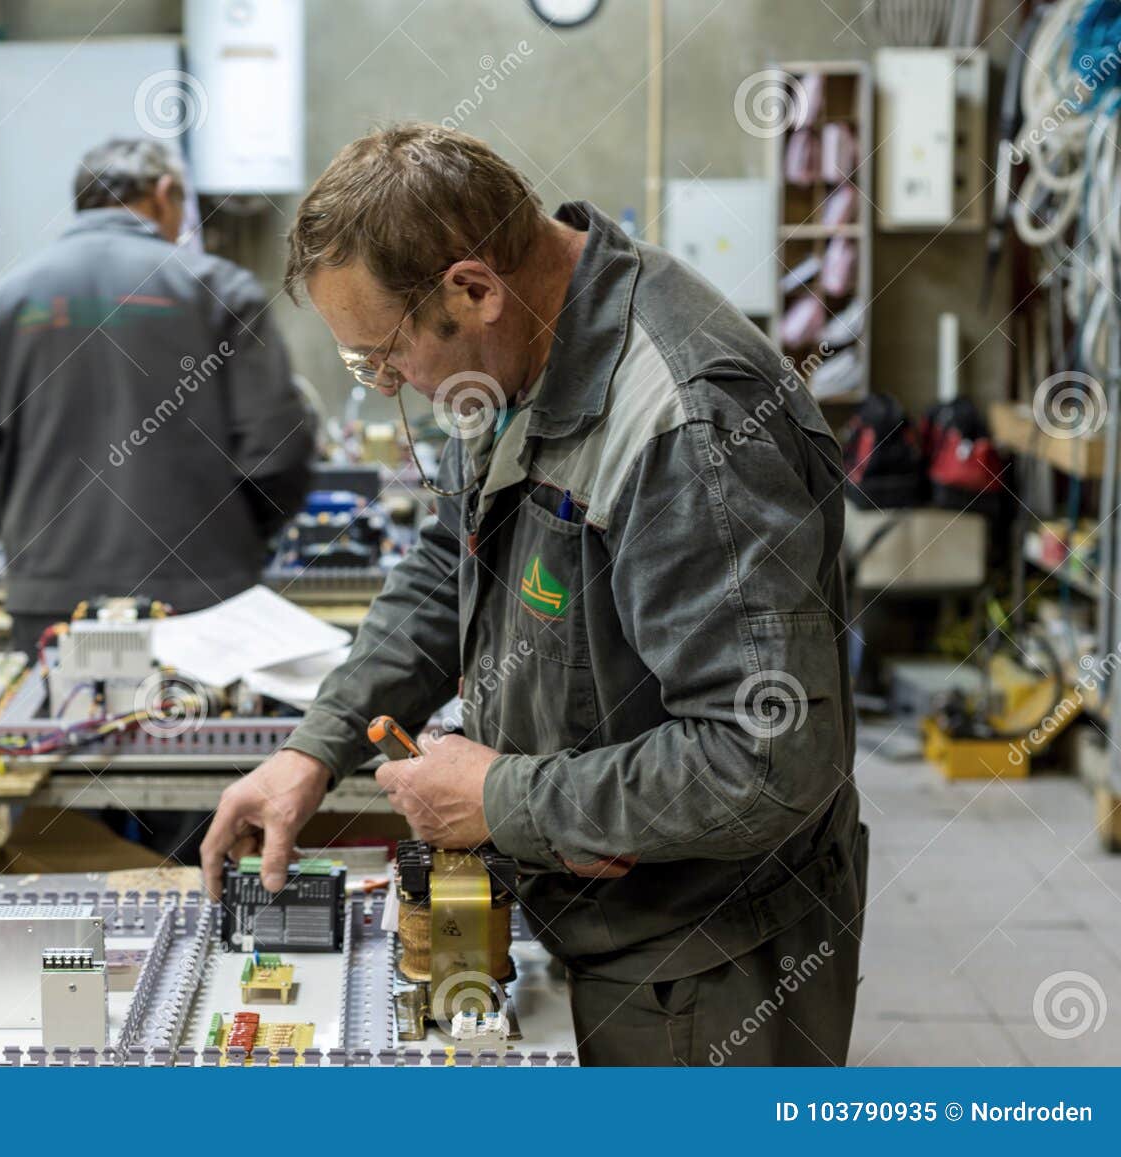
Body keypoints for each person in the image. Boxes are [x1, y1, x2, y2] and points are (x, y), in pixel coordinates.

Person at [201, 124, 867, 1066]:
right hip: (579, 906)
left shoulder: (690, 422)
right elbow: (450, 561)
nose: (388, 384)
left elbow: (770, 757)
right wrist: (317, 748)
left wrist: (504, 796)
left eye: (382, 358)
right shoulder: (513, 360)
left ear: (474, 290)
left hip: (704, 957)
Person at [0, 138, 311, 655]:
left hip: (53, 600)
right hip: (205, 596)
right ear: (164, 193)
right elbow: (276, 449)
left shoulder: (1, 304)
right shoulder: (221, 289)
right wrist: (232, 542)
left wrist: (39, 536)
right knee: (205, 737)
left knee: (57, 729)